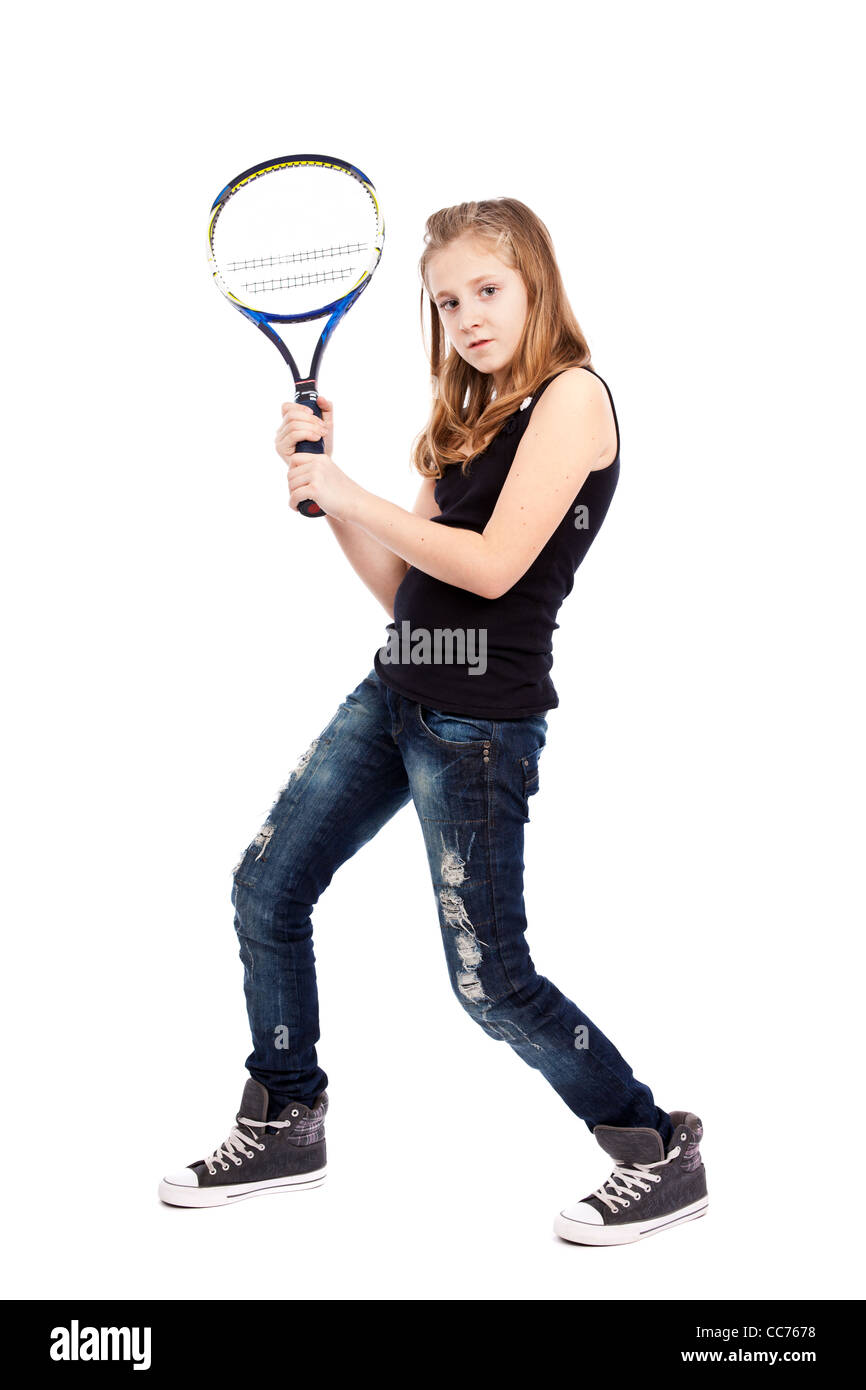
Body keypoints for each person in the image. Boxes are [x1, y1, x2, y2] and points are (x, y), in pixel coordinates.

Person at [158, 198, 708, 1244]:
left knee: (489, 982)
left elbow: (495, 569)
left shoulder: (573, 400)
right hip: (399, 685)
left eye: (485, 291)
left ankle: (652, 1143)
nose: (464, 316)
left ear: (536, 283)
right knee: (265, 886)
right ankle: (285, 1111)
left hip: (479, 725)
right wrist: (324, 496)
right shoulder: (466, 414)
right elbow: (404, 588)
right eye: (446, 299)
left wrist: (351, 489)